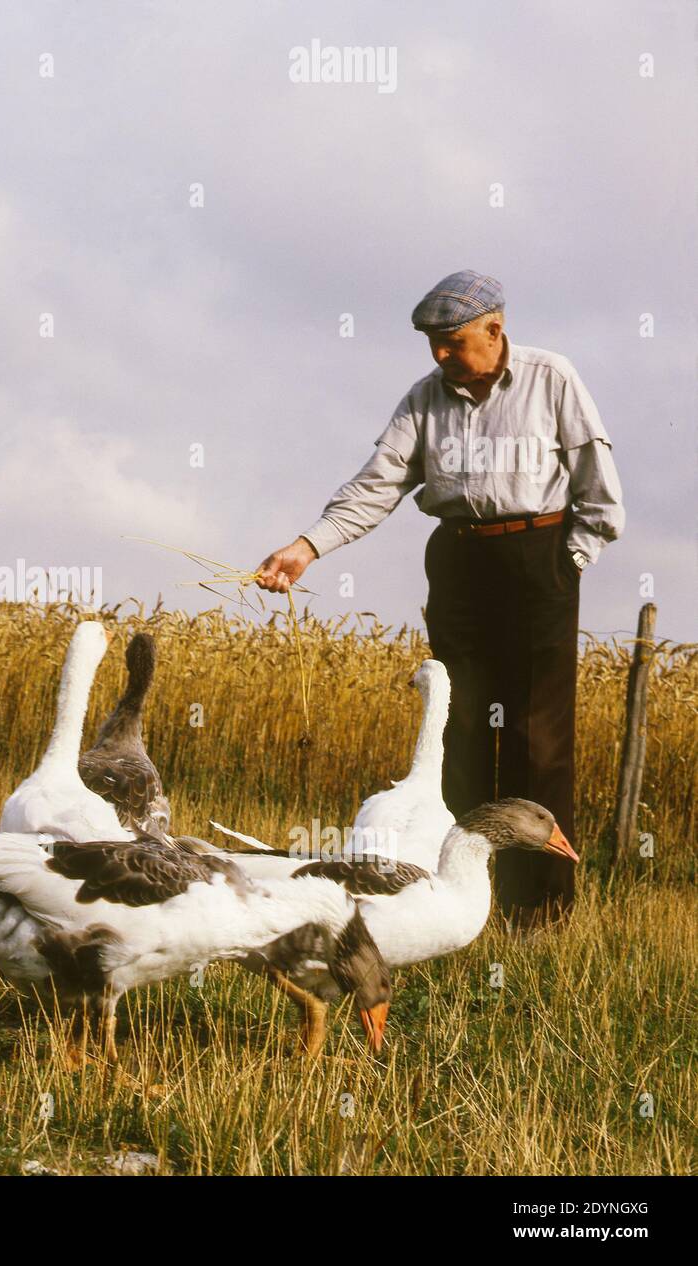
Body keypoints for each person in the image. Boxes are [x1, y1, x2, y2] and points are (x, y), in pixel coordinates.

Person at [256, 270, 624, 927]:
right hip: (458, 563)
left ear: (495, 330)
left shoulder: (551, 378)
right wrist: (307, 547)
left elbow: (597, 480)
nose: (439, 356)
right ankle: (460, 907)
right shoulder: (425, 400)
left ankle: (537, 915)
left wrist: (569, 559)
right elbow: (377, 484)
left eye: (451, 341)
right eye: (432, 342)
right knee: (460, 732)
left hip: (538, 559)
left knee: (536, 739)